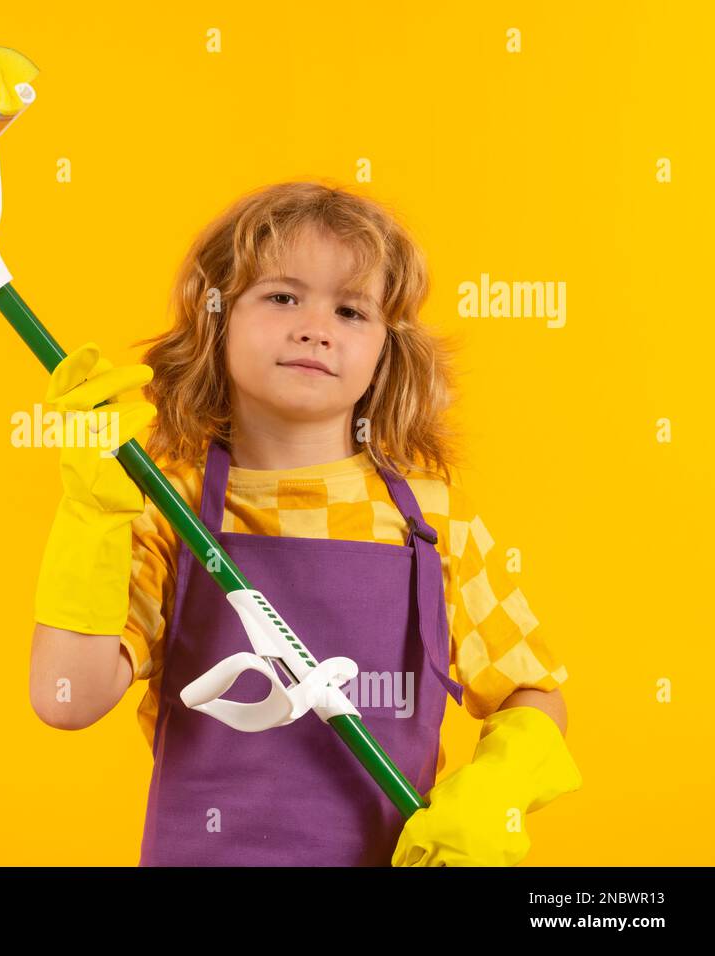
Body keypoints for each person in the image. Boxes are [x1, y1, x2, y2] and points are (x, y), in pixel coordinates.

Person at [28, 180, 582, 866]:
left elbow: (530, 687)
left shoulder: (433, 519)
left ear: (387, 352)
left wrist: (494, 791)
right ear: (216, 320)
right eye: (283, 296)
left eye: (351, 311)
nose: (315, 327)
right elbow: (67, 698)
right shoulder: (162, 508)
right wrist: (89, 518)